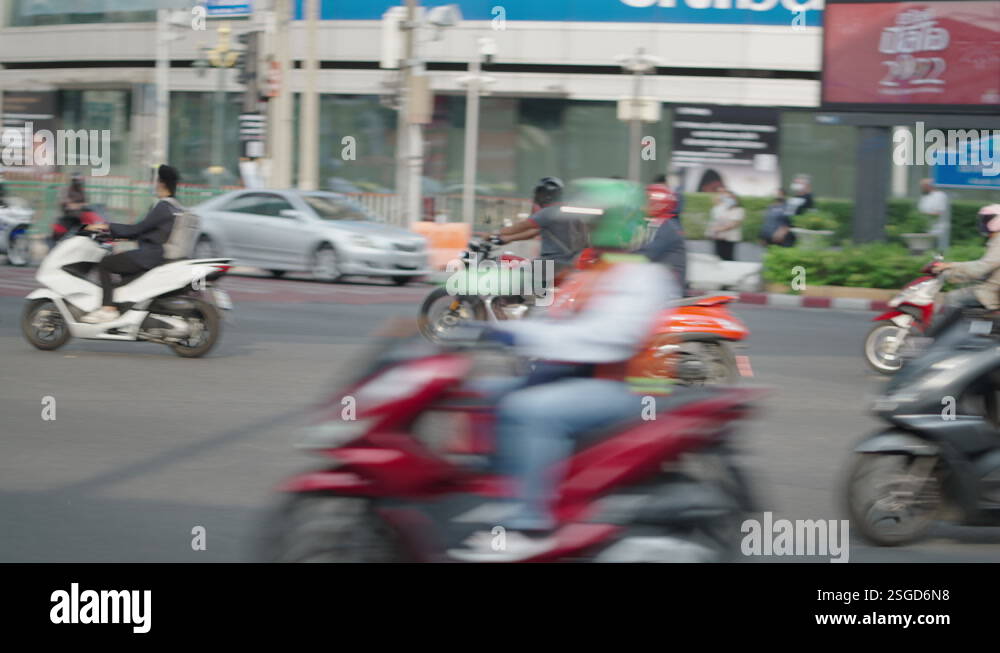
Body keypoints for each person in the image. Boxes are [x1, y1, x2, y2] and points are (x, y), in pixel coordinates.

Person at [448, 178, 677, 562]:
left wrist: (517, 337)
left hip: (625, 390)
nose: (590, 227)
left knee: (531, 411)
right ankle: (504, 493)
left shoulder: (642, 277)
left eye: (597, 219)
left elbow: (606, 338)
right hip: (579, 375)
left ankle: (529, 525)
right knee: (482, 392)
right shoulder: (593, 270)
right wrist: (499, 330)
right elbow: (555, 323)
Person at [81, 165, 182, 324]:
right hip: (156, 255)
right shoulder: (176, 207)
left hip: (149, 255)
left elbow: (137, 229)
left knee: (105, 263)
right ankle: (123, 313)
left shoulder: (162, 206)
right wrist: (119, 236)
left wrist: (107, 226)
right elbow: (148, 232)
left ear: (161, 184)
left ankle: (108, 309)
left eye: (156, 182)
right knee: (122, 281)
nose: (154, 186)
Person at [491, 176, 588, 274]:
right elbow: (533, 232)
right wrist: (507, 239)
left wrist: (493, 234)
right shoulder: (568, 212)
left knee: (513, 276)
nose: (537, 197)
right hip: (569, 263)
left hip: (550, 263)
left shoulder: (547, 212)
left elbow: (521, 227)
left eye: (540, 193)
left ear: (546, 195)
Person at [931, 204, 1000, 311]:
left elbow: (981, 268)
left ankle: (950, 328)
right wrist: (951, 270)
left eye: (986, 219)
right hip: (991, 289)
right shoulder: (996, 240)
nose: (982, 223)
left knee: (952, 298)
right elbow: (984, 268)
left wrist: (951, 267)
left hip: (990, 292)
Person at [638, 181, 687, 292]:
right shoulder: (654, 223)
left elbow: (644, 255)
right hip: (656, 283)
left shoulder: (667, 227)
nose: (641, 205)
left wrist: (610, 257)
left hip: (666, 290)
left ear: (656, 203)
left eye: (645, 201)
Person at [708, 188, 745, 261]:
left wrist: (717, 229)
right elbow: (717, 219)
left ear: (735, 199)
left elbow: (733, 224)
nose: (727, 200)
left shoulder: (739, 210)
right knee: (717, 258)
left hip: (729, 239)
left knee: (727, 258)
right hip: (718, 237)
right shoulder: (723, 209)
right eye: (726, 198)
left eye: (730, 198)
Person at [51, 173, 88, 243]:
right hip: (67, 217)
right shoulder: (66, 190)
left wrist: (81, 206)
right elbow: (68, 205)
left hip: (79, 218)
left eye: (79, 181)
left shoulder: (81, 191)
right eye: (76, 180)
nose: (78, 183)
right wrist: (79, 205)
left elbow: (86, 203)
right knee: (63, 237)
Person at [918, 178, 951, 252]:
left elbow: (939, 212)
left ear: (928, 186)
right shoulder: (925, 197)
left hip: (938, 229)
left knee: (937, 251)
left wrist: (925, 214)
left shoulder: (940, 196)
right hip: (926, 228)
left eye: (923, 186)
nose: (921, 188)